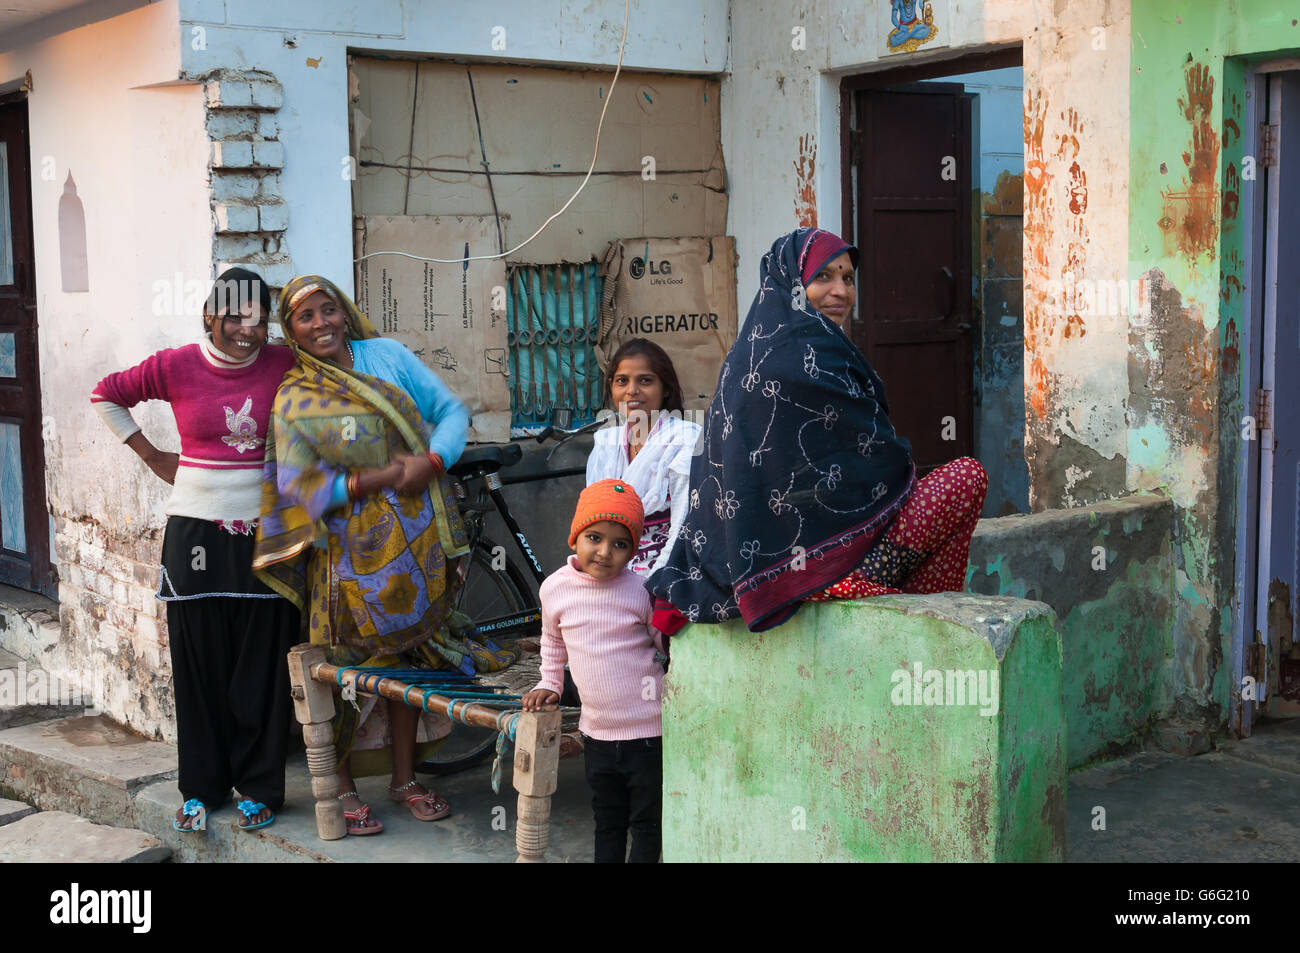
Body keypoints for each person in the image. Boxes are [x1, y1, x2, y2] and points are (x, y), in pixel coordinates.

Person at [253, 275, 514, 836]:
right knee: (344, 666)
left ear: (345, 313)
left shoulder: (387, 357)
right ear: (291, 331)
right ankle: (344, 788)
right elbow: (300, 486)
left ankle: (404, 779)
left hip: (417, 542)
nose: (321, 323)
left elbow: (450, 412)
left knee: (409, 658)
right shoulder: (296, 395)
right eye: (306, 317)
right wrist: (370, 481)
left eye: (330, 310)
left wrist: (434, 461)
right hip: (343, 557)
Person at [647, 227, 987, 633]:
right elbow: (879, 462)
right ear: (791, 281)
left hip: (754, 568)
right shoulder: (795, 359)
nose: (840, 291)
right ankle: (885, 599)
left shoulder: (752, 353)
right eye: (823, 277)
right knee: (966, 476)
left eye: (847, 278)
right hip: (818, 570)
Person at [90, 267, 299, 833]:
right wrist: (153, 455)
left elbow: (340, 381)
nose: (246, 330)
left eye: (258, 318)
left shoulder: (286, 363)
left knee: (262, 665)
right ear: (210, 315)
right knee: (198, 665)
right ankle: (201, 788)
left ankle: (259, 786)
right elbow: (105, 394)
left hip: (269, 535)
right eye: (234, 316)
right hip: (196, 536)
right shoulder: (177, 365)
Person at [522, 479, 664, 863]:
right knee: (607, 820)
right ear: (575, 537)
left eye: (620, 544)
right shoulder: (555, 589)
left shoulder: (640, 590)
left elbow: (662, 645)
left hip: (651, 732)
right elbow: (552, 641)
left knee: (648, 823)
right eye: (595, 537)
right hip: (598, 734)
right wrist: (550, 682)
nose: (605, 552)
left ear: (633, 550)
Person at [587, 338, 702, 576]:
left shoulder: (685, 440)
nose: (631, 391)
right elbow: (590, 524)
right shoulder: (606, 444)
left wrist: (650, 586)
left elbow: (684, 530)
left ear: (666, 388)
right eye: (622, 381)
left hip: (667, 573)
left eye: (645, 380)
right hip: (610, 568)